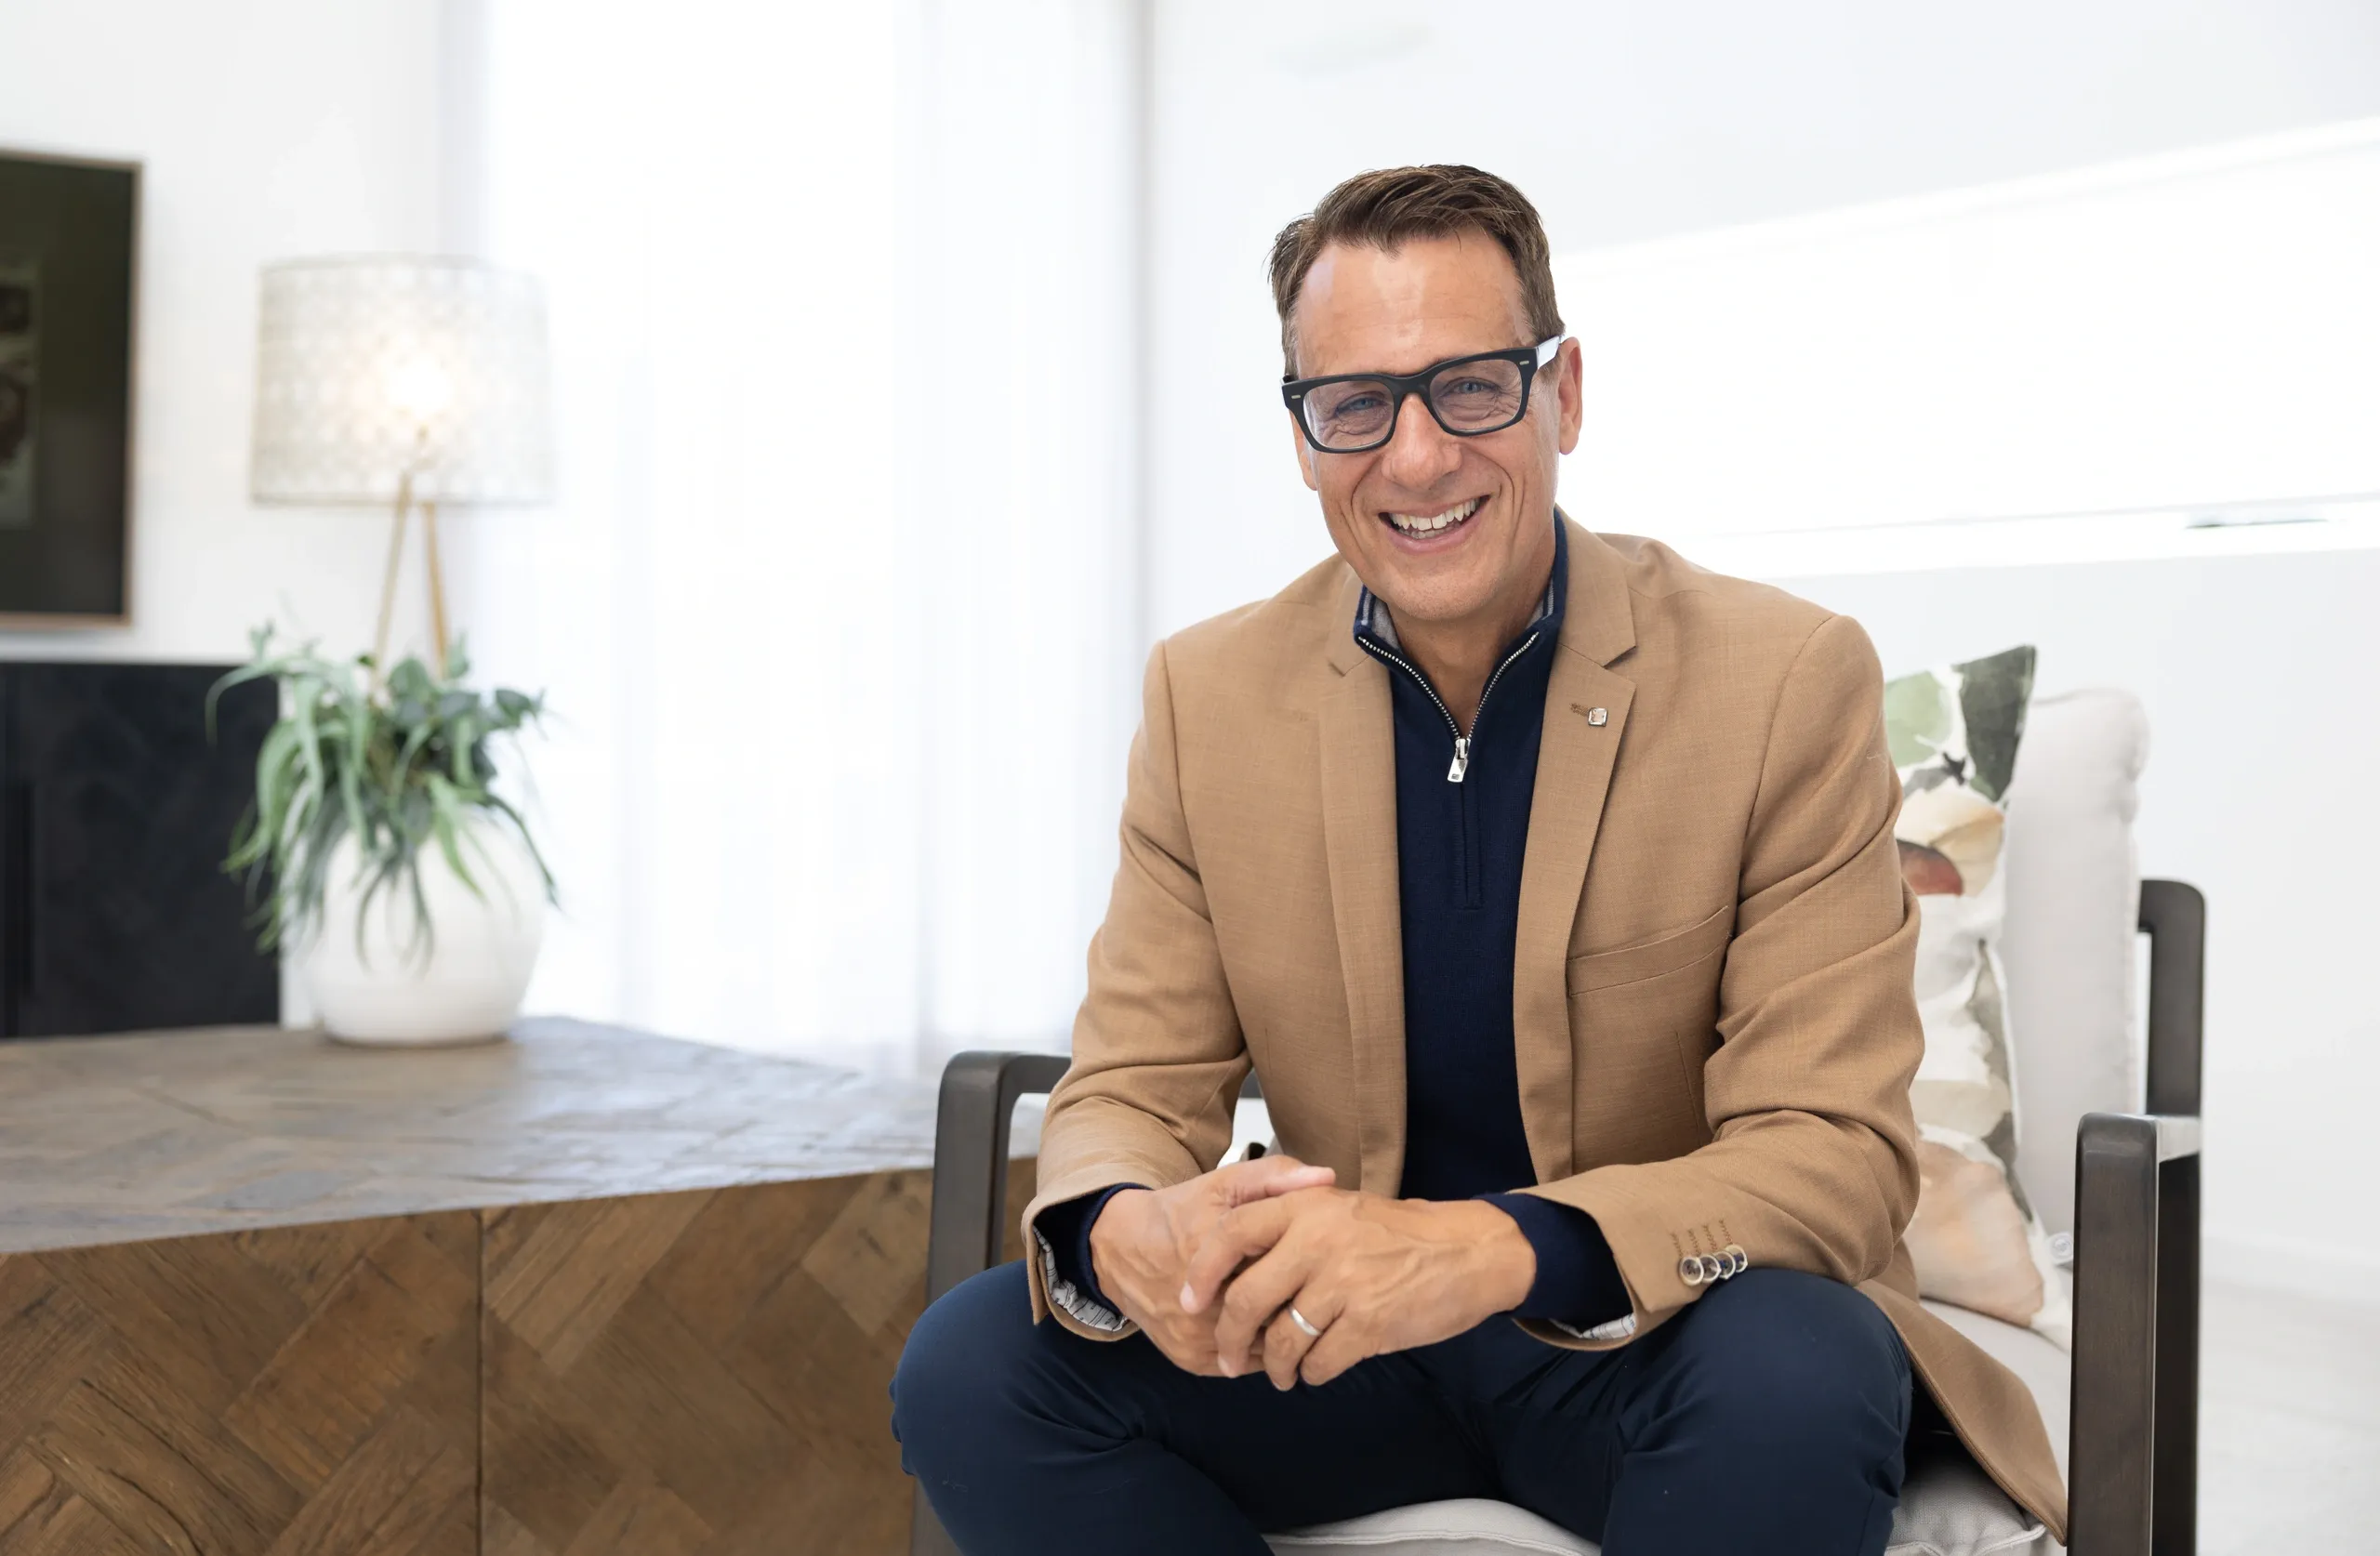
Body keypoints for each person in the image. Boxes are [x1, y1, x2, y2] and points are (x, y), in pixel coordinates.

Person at [892, 165, 2063, 1555]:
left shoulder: (1782, 680)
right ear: (1304, 436)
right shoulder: (1208, 699)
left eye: (1470, 388)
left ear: (1563, 394)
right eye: (1356, 404)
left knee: (1801, 1370)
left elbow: (1835, 1155)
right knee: (974, 1365)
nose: (1417, 457)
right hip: (1333, 1349)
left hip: (1652, 1340)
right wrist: (1118, 1219)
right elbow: (1131, 1083)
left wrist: (1484, 1248)